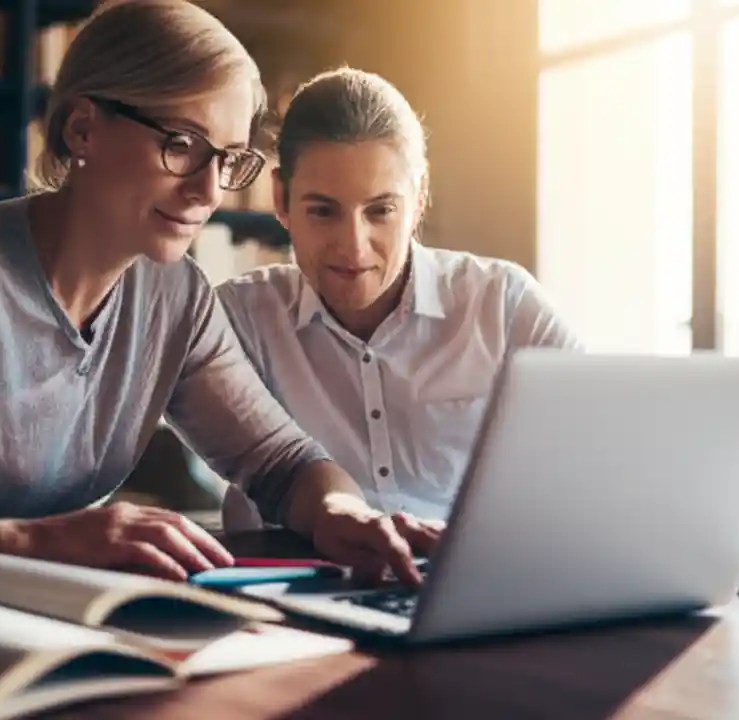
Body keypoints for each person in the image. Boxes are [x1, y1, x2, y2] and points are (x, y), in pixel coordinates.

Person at [0, 2, 435, 586]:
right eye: (184, 145)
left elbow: (283, 465)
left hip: (39, 615)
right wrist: (35, 543)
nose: (207, 192)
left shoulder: (176, 298)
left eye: (228, 161)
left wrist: (345, 513)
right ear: (82, 129)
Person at [217, 67, 581, 531]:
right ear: (282, 200)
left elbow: (601, 453)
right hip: (284, 588)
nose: (353, 245)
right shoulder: (237, 319)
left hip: (460, 586)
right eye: (324, 211)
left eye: (381, 211)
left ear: (420, 198)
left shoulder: (503, 306)